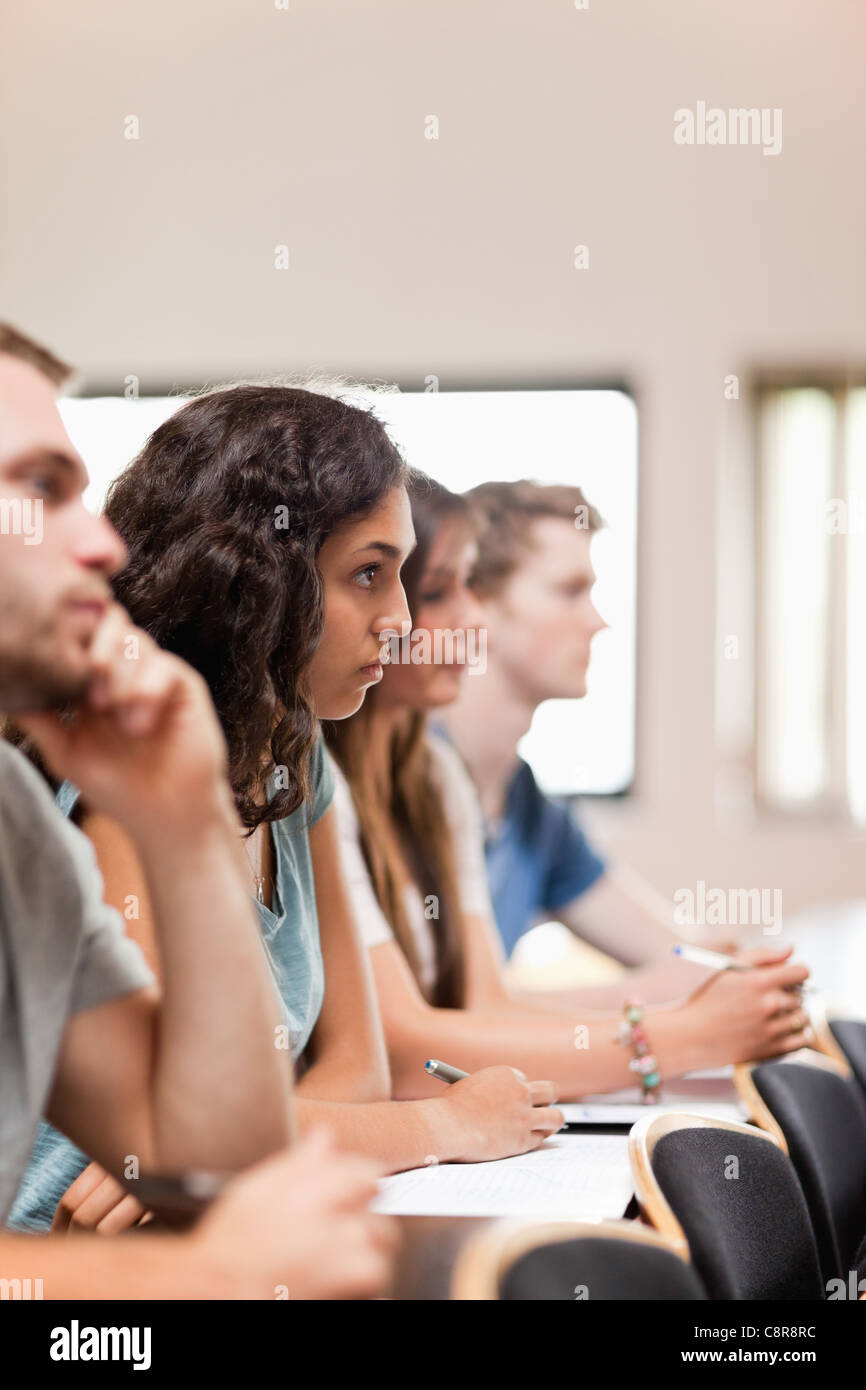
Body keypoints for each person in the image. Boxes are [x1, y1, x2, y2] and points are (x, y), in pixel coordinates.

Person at [11, 380, 562, 1235]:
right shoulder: (125, 778)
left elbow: (355, 1067)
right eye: (369, 576)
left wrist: (271, 1143)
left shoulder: (295, 758)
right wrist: (445, 1126)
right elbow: (179, 1145)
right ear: (255, 579)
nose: (403, 621)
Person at [0, 323, 395, 1299]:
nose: (100, 542)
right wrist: (198, 1275)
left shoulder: (13, 816)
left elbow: (208, 1165)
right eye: (41, 490)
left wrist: (182, 827)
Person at [325, 473, 814, 1103]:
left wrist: (708, 993)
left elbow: (485, 1007)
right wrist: (676, 1024)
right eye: (569, 591)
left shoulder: (485, 793)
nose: (599, 622)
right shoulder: (326, 785)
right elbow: (407, 1041)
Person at [441, 479, 757, 1006]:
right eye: (569, 591)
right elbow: (446, 1018)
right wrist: (656, 991)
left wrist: (735, 971)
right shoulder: (400, 776)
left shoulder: (527, 806)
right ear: (477, 603)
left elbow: (679, 955)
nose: (598, 621)